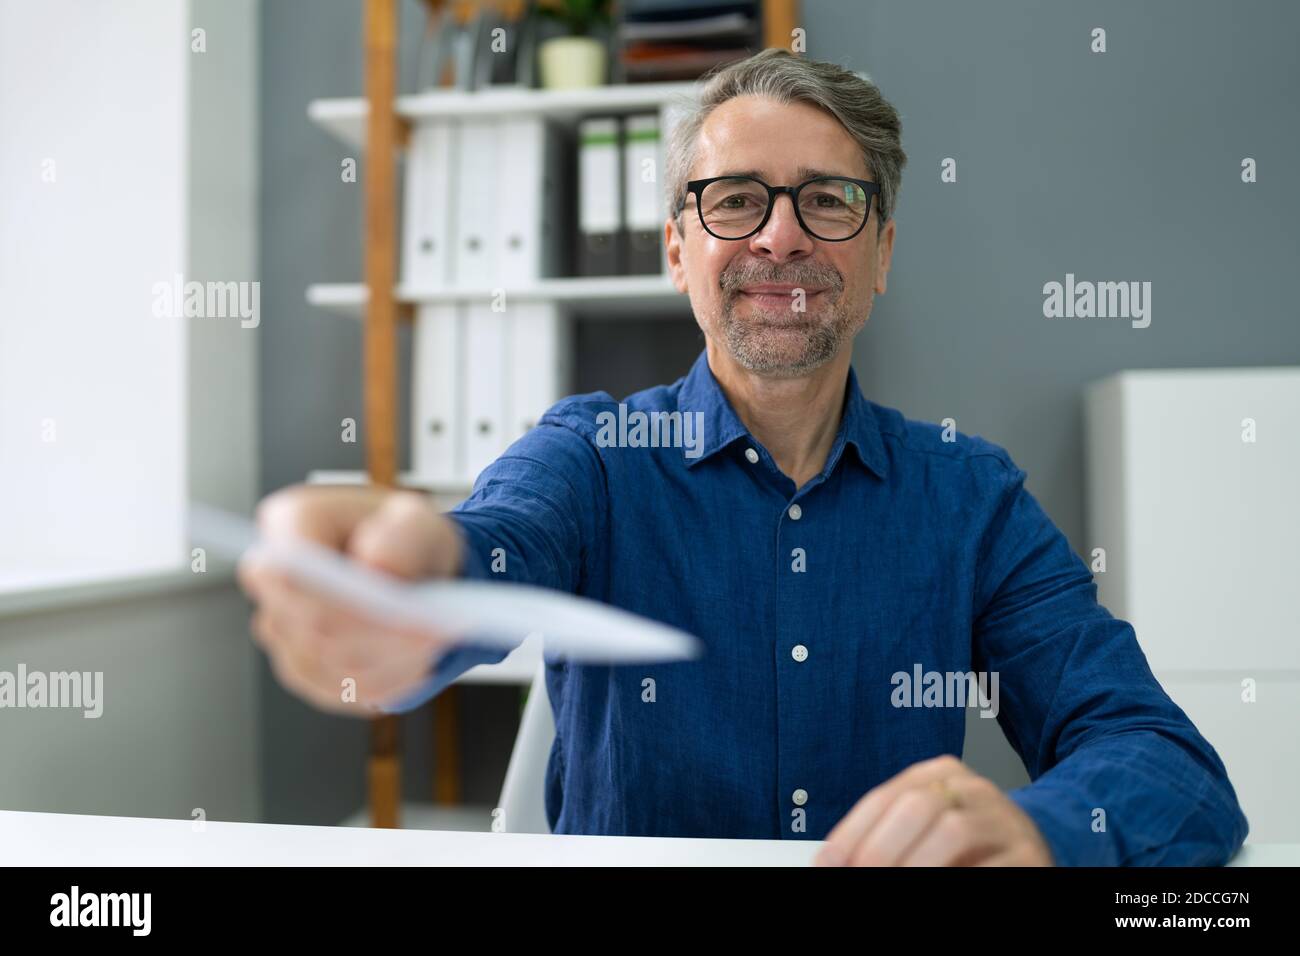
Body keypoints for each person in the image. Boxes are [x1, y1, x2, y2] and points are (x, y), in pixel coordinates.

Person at [238, 49, 1248, 866]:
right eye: (733, 201)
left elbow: (1165, 762)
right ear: (678, 248)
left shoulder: (969, 496)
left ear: (881, 253)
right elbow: (486, 551)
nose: (779, 237)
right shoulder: (592, 457)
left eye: (829, 201)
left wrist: (1045, 827)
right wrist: (406, 584)